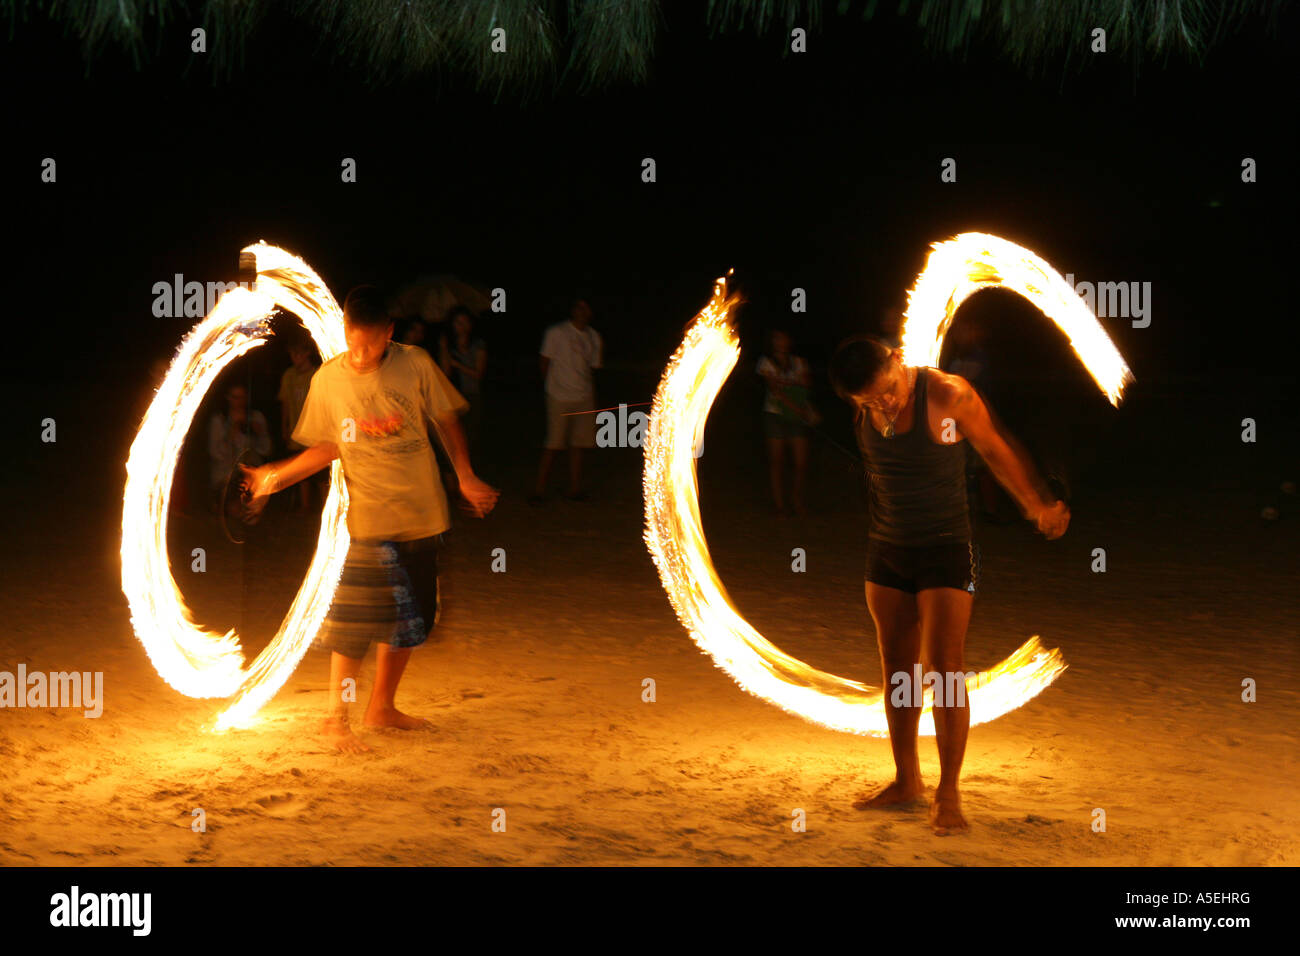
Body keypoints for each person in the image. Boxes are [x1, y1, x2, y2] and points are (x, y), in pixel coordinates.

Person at [239, 286, 499, 753]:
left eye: (371, 344)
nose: (360, 354)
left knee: (411, 620)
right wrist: (275, 478)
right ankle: (336, 719)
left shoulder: (415, 363)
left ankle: (382, 707)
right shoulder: (328, 381)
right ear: (344, 331)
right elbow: (328, 446)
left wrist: (464, 474)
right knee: (355, 623)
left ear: (389, 333)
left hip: (423, 513)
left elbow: (446, 417)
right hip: (370, 519)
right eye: (354, 343)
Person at [829, 335, 1069, 834]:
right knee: (897, 667)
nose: (885, 403)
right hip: (887, 548)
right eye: (870, 401)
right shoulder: (864, 407)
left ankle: (949, 792)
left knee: (945, 669)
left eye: (888, 391)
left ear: (900, 359)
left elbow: (996, 449)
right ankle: (907, 780)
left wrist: (1036, 504)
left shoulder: (947, 395)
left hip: (947, 547)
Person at [531, 296, 602, 504]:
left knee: (578, 444)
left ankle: (574, 488)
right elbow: (544, 361)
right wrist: (550, 388)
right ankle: (539, 490)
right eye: (578, 306)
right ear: (572, 310)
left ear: (590, 313)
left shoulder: (594, 337)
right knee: (553, 444)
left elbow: (592, 368)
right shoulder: (556, 332)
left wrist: (592, 397)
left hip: (584, 396)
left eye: (586, 307)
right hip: (559, 396)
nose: (582, 311)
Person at [756, 330, 819, 516]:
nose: (781, 342)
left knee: (800, 462)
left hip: (797, 417)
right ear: (772, 342)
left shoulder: (799, 362)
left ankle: (797, 502)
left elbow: (807, 384)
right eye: (777, 338)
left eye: (784, 337)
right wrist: (793, 395)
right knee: (777, 462)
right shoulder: (765, 362)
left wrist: (797, 403)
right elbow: (774, 389)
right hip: (775, 415)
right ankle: (779, 505)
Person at [208, 382, 271, 513]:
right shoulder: (219, 420)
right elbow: (216, 453)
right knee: (234, 506)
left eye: (242, 397)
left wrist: (259, 433)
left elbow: (266, 449)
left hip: (251, 475)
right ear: (227, 398)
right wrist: (232, 431)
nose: (238, 402)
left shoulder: (256, 417)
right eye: (234, 397)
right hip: (226, 475)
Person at [277, 339, 320, 512]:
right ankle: (305, 506)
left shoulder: (317, 374)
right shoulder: (289, 375)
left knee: (320, 471)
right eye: (292, 354)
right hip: (297, 430)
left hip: (316, 431)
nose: (294, 358)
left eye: (297, 354)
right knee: (301, 470)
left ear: (307, 353)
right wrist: (285, 426)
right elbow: (285, 402)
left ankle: (326, 507)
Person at [439, 306, 487, 455]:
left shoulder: (478, 344)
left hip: (471, 394)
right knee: (453, 437)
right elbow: (446, 372)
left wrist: (458, 364)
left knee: (470, 435)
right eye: (458, 322)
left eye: (465, 322)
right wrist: (444, 348)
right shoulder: (449, 345)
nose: (462, 326)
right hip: (453, 395)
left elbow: (479, 374)